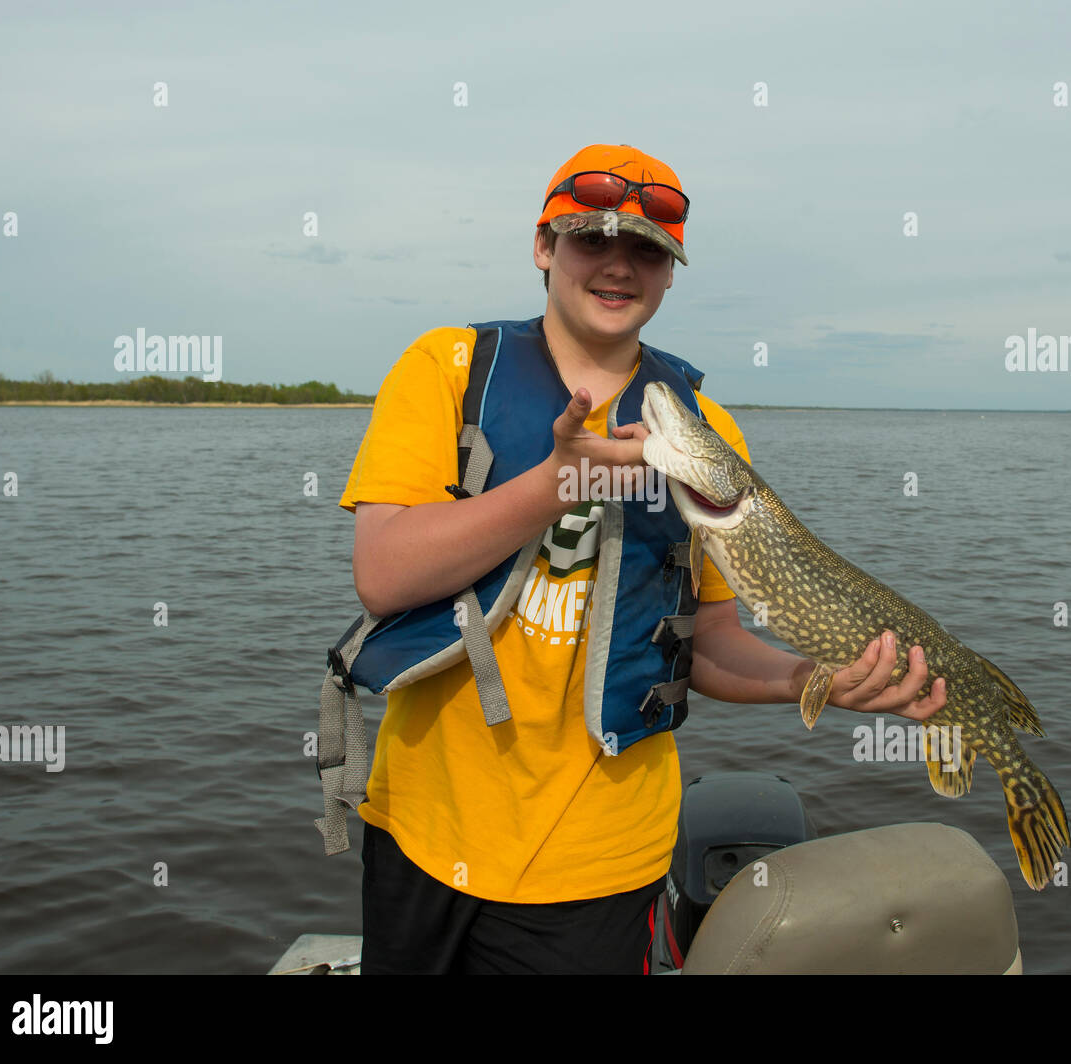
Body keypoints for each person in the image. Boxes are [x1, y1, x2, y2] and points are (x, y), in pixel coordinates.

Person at [337, 144, 946, 975]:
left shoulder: (709, 434)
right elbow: (384, 574)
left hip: (601, 858)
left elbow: (710, 640)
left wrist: (807, 677)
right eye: (591, 241)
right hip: (423, 831)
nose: (618, 266)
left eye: (648, 251)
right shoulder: (446, 369)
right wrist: (557, 482)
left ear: (669, 274)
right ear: (545, 247)